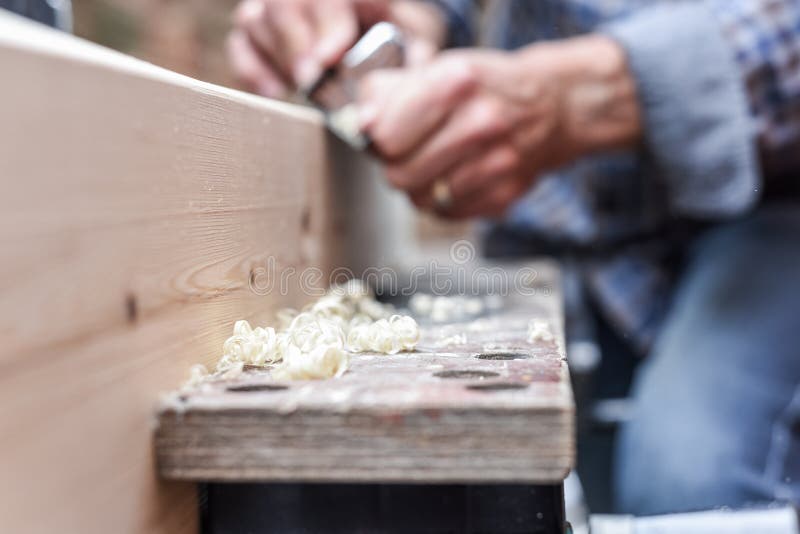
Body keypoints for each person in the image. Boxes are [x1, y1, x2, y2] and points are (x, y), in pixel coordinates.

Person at [227, 0, 800, 516]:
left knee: (692, 481)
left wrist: (598, 91)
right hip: (543, 222)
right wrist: (408, 22)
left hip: (765, 199)